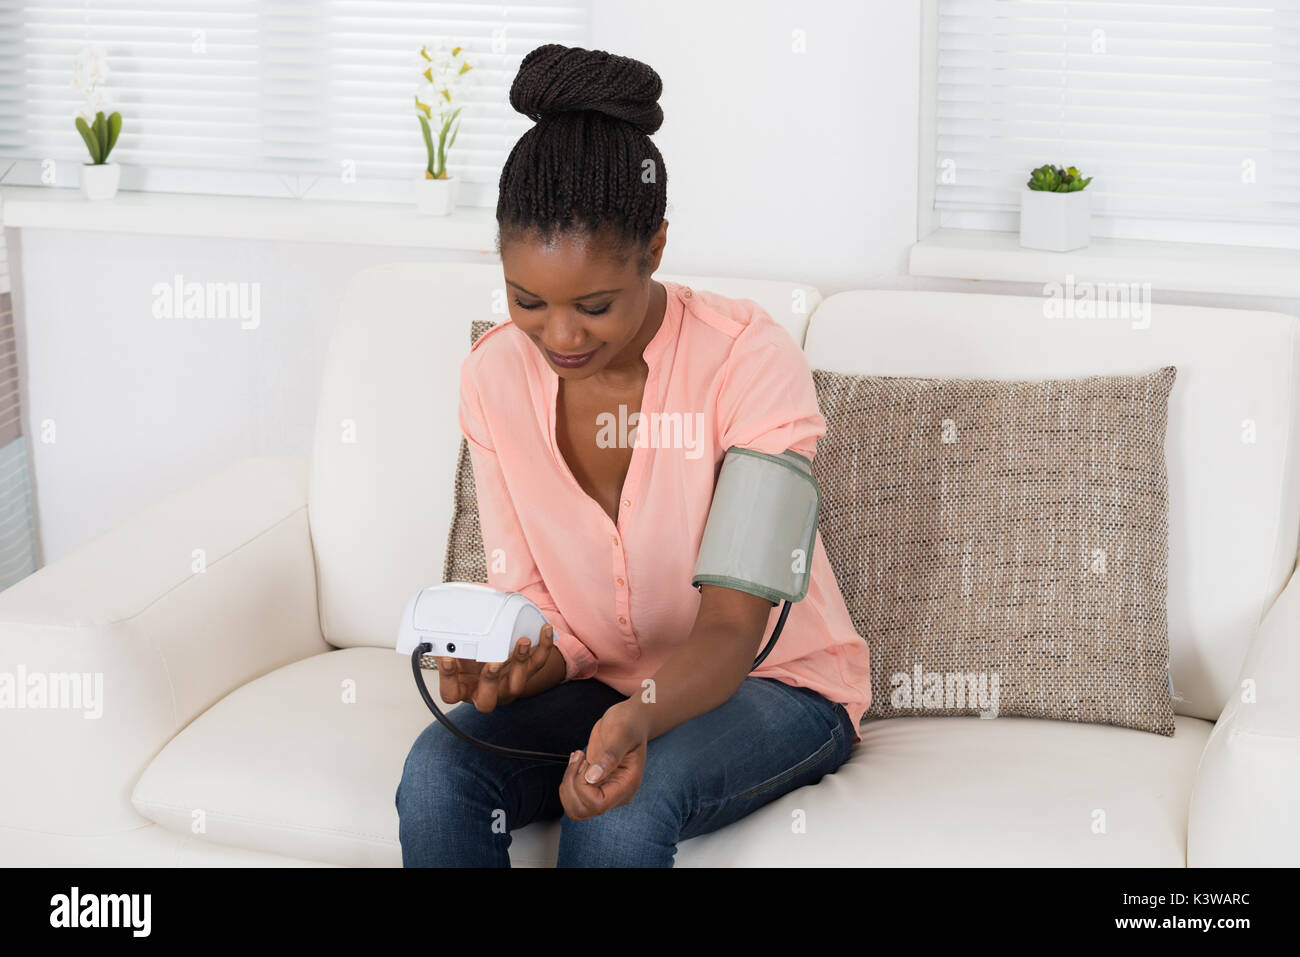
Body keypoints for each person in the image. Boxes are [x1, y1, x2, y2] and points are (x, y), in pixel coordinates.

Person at [396, 42, 870, 867]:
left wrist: (638, 717)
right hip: (602, 688)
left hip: (775, 684)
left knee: (620, 809)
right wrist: (520, 667)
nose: (560, 336)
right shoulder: (492, 377)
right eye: (527, 300)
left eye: (595, 304)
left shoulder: (748, 358)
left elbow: (732, 627)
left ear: (654, 247)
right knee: (440, 772)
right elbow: (536, 597)